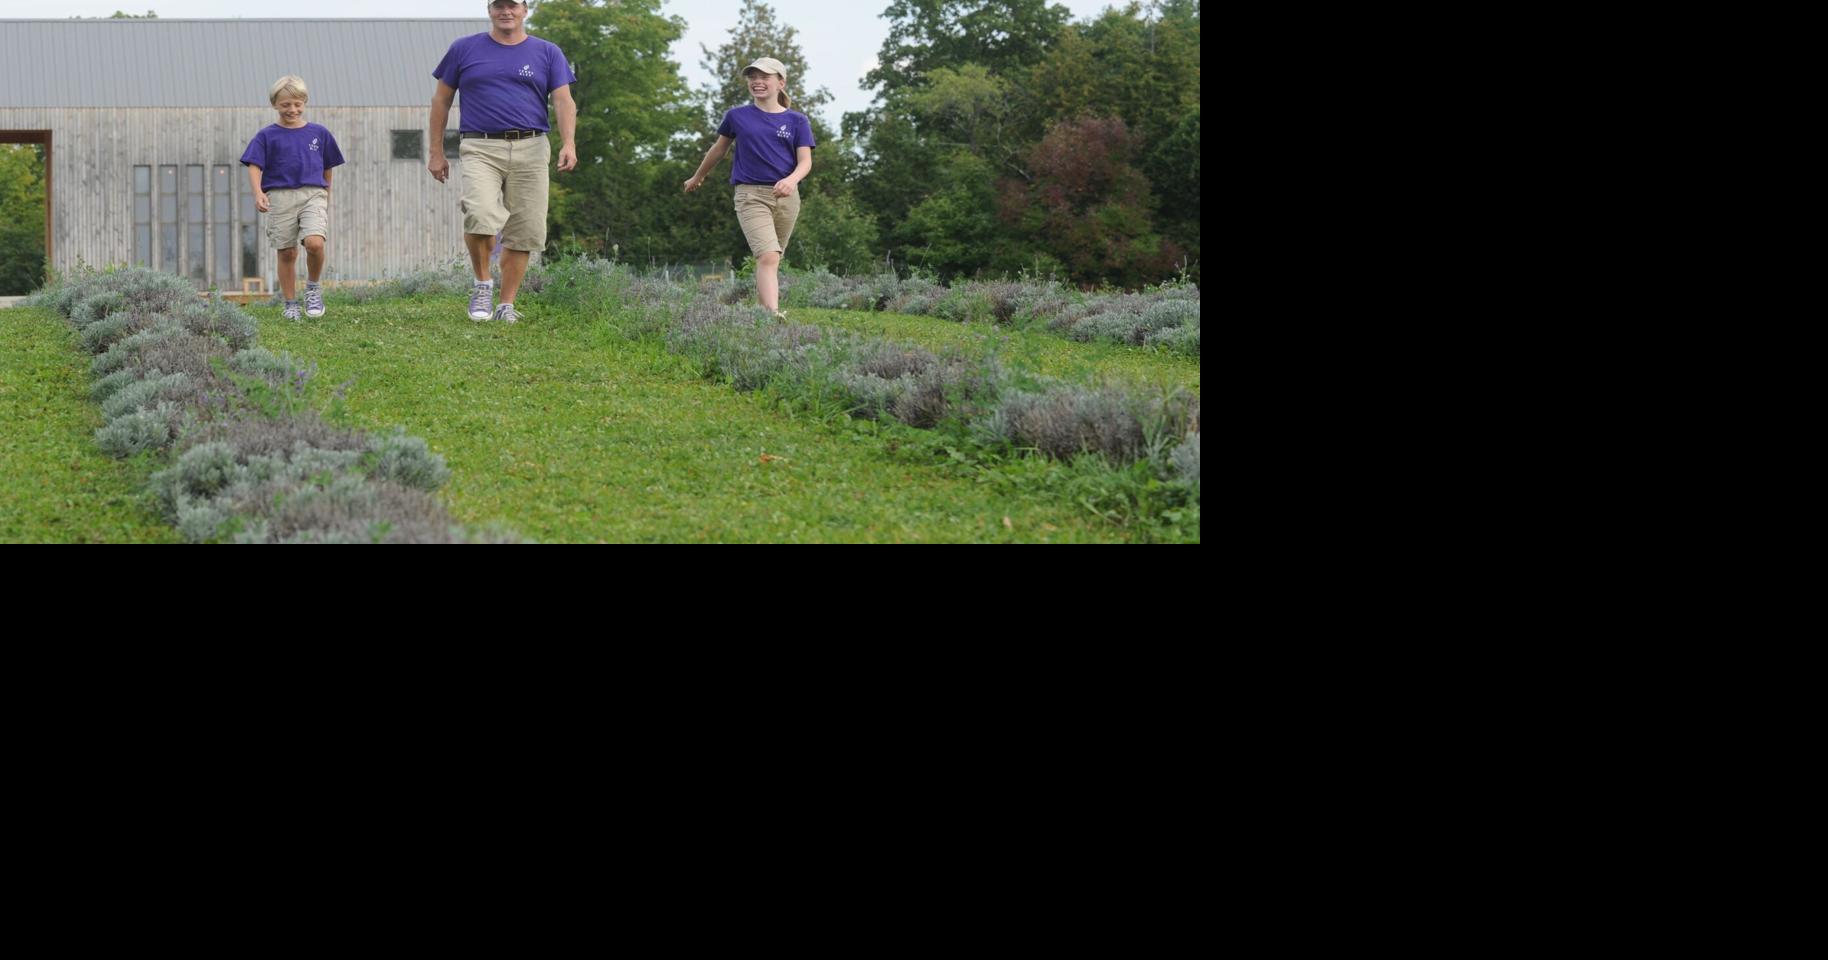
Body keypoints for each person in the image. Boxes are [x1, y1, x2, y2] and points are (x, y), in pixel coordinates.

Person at [429, 0, 578, 324]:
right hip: (480, 145)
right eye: (498, 5)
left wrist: (569, 143)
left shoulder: (548, 52)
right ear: (489, 10)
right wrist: (436, 152)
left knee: (525, 230)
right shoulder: (463, 49)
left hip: (532, 146)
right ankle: (483, 283)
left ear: (525, 10)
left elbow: (564, 100)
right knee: (480, 214)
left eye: (512, 5)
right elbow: (441, 100)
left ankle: (505, 305)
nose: (505, 11)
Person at [683, 57, 814, 318]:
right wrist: (698, 176)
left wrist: (791, 181)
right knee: (768, 255)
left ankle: (763, 312)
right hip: (750, 195)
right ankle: (771, 315)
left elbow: (805, 162)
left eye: (764, 77)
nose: (757, 82)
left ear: (781, 82)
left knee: (772, 259)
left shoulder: (797, 121)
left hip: (787, 197)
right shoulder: (737, 116)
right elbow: (718, 149)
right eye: (753, 77)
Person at [241, 75, 344, 320]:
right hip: (279, 196)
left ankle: (313, 288)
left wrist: (326, 195)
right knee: (287, 252)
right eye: (286, 104)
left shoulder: (319, 133)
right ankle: (290, 304)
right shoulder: (266, 136)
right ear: (275, 104)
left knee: (315, 244)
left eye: (297, 104)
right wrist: (258, 193)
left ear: (305, 102)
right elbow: (254, 165)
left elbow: (328, 166)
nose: (292, 109)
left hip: (313, 194)